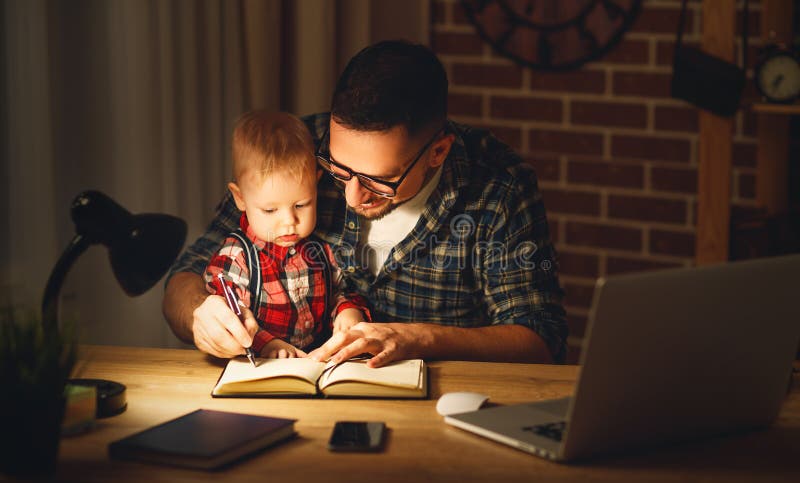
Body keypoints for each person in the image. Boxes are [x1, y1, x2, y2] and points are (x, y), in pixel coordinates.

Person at [163, 40, 567, 367]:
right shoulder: (297, 149)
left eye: (379, 181)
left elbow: (540, 338)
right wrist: (201, 313)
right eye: (338, 171)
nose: (352, 196)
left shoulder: (499, 186)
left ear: (438, 152)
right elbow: (186, 277)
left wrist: (418, 337)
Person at [202, 110, 370, 358]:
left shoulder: (320, 252)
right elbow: (229, 318)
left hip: (317, 365)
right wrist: (266, 344)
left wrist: (347, 311)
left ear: (316, 184)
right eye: (270, 210)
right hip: (262, 371)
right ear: (240, 198)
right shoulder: (237, 258)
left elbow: (340, 293)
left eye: (301, 205)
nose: (290, 222)